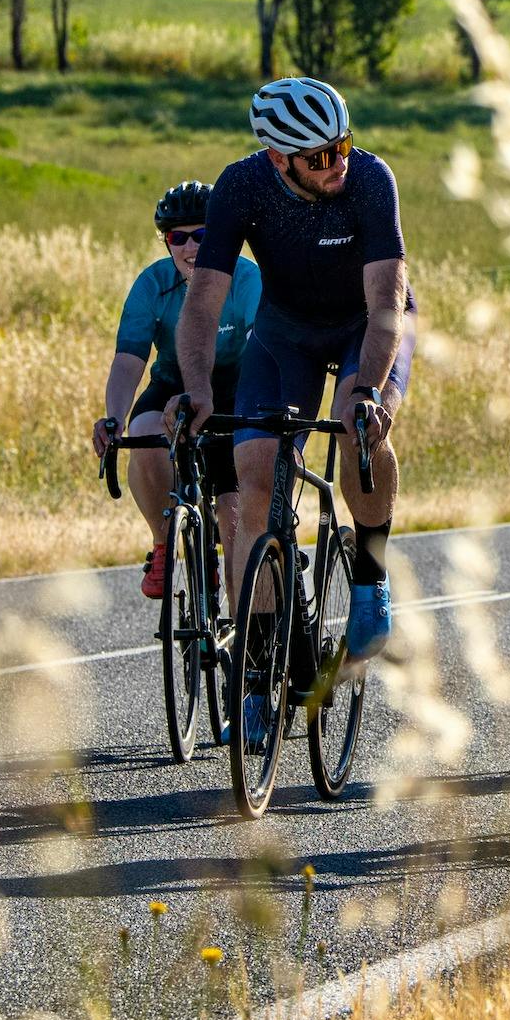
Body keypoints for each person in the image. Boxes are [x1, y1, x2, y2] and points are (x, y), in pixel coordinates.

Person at [170, 77, 414, 751]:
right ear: (279, 158)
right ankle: (260, 671)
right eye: (319, 157)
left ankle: (368, 577)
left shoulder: (369, 180)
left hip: (369, 323)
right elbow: (204, 302)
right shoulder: (242, 188)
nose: (338, 163)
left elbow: (388, 296)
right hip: (286, 334)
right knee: (254, 478)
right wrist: (197, 389)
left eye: (343, 147)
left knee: (357, 427)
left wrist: (367, 389)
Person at [95, 182, 259, 600]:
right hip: (171, 381)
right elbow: (129, 360)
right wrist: (113, 418)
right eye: (178, 237)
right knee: (146, 435)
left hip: (236, 390)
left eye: (202, 235)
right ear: (167, 242)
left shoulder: (245, 278)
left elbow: (262, 347)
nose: (190, 247)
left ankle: (249, 631)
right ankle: (165, 542)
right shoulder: (152, 284)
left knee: (232, 517)